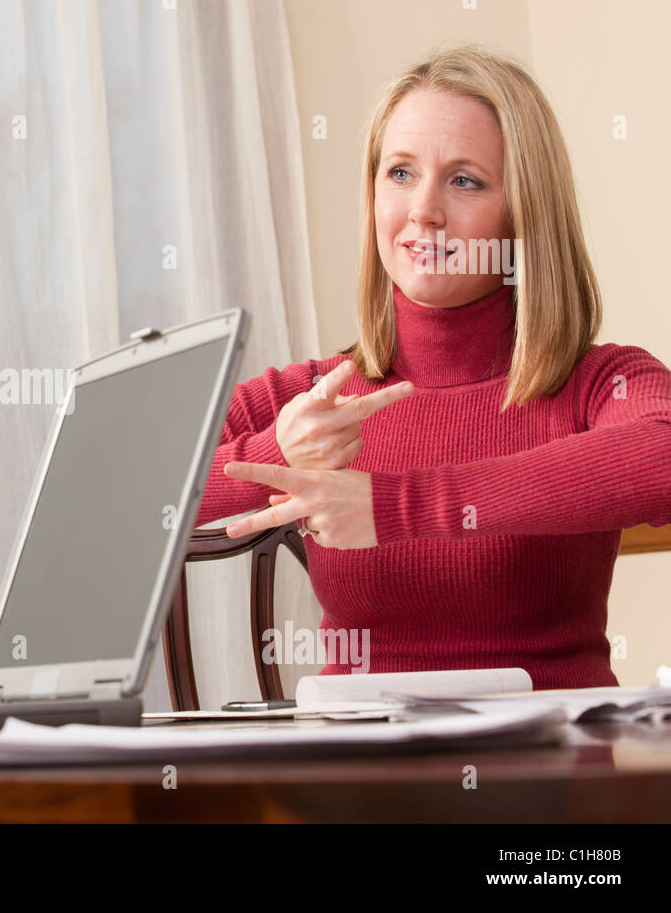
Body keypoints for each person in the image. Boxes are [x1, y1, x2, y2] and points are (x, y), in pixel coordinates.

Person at [199, 44, 671, 690]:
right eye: (400, 173)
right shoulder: (312, 396)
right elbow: (124, 502)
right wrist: (278, 450)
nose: (423, 209)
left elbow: (662, 453)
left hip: (550, 767)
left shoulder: (597, 382)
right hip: (359, 770)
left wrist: (398, 506)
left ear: (524, 213)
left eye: (464, 180)